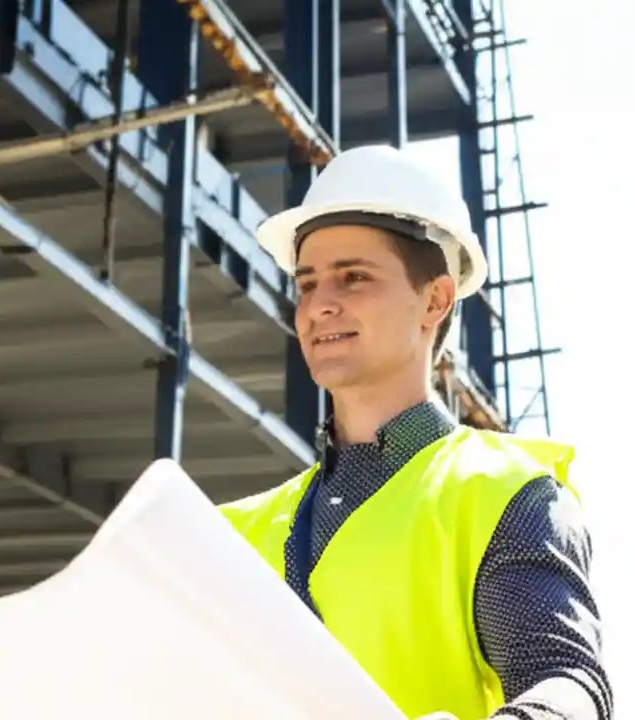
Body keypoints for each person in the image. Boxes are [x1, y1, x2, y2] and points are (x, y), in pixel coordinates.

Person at [219, 145, 612, 720]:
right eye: (307, 284)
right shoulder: (234, 533)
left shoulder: (499, 495)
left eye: (352, 278)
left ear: (435, 298)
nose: (319, 306)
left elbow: (563, 676)